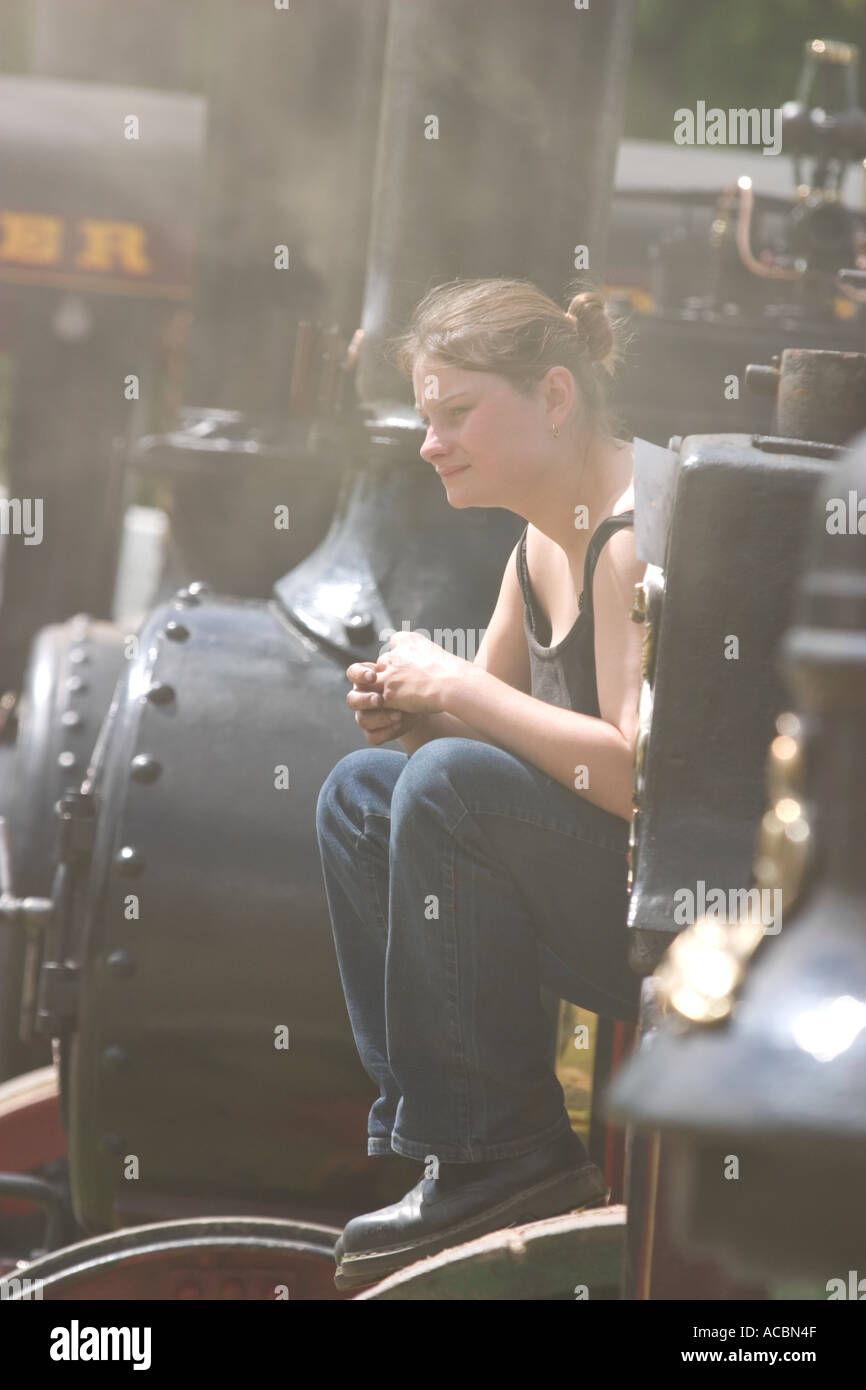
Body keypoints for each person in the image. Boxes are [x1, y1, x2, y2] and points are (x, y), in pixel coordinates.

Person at [315, 277, 644, 1291]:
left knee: (447, 779)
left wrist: (455, 688)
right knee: (363, 791)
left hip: (678, 931)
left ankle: (503, 1156)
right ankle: (447, 1139)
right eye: (425, 417)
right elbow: (492, 749)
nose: (429, 443)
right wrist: (419, 714)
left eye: (455, 413)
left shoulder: (628, 540)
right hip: (593, 894)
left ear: (552, 396)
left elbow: (635, 775)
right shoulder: (533, 544)